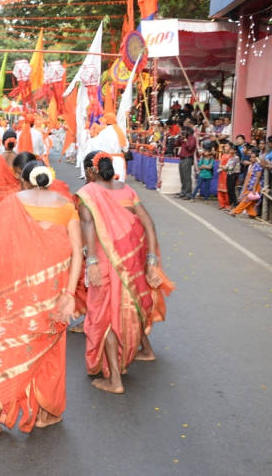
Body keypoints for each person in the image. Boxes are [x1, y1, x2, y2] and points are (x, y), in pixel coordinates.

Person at [0, 160, 81, 446]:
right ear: (49, 180)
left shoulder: (9, 205)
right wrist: (70, 295)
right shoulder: (65, 205)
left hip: (12, 294)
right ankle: (45, 412)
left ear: (24, 182)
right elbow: (77, 254)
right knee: (44, 354)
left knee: (7, 357)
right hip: (52, 297)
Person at [77, 151, 173, 394]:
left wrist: (92, 263)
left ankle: (115, 380)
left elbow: (87, 226)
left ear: (91, 171)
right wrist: (151, 262)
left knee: (108, 317)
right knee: (131, 309)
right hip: (135, 261)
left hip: (107, 263)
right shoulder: (128, 191)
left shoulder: (88, 194)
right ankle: (142, 352)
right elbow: (149, 224)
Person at [231, 147, 263, 217]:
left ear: (256, 158)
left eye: (253, 157)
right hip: (249, 185)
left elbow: (258, 177)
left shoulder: (258, 165)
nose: (251, 159)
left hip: (254, 186)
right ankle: (252, 213)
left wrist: (254, 187)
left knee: (246, 200)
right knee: (249, 201)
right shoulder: (252, 165)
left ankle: (235, 211)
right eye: (251, 157)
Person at [176, 127, 196, 198]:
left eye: (184, 131)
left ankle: (188, 193)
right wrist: (179, 138)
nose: (183, 132)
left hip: (187, 158)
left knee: (187, 176)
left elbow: (190, 148)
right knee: (182, 176)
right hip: (182, 158)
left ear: (188, 131)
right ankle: (183, 191)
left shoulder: (192, 138)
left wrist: (186, 141)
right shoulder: (184, 138)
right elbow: (176, 144)